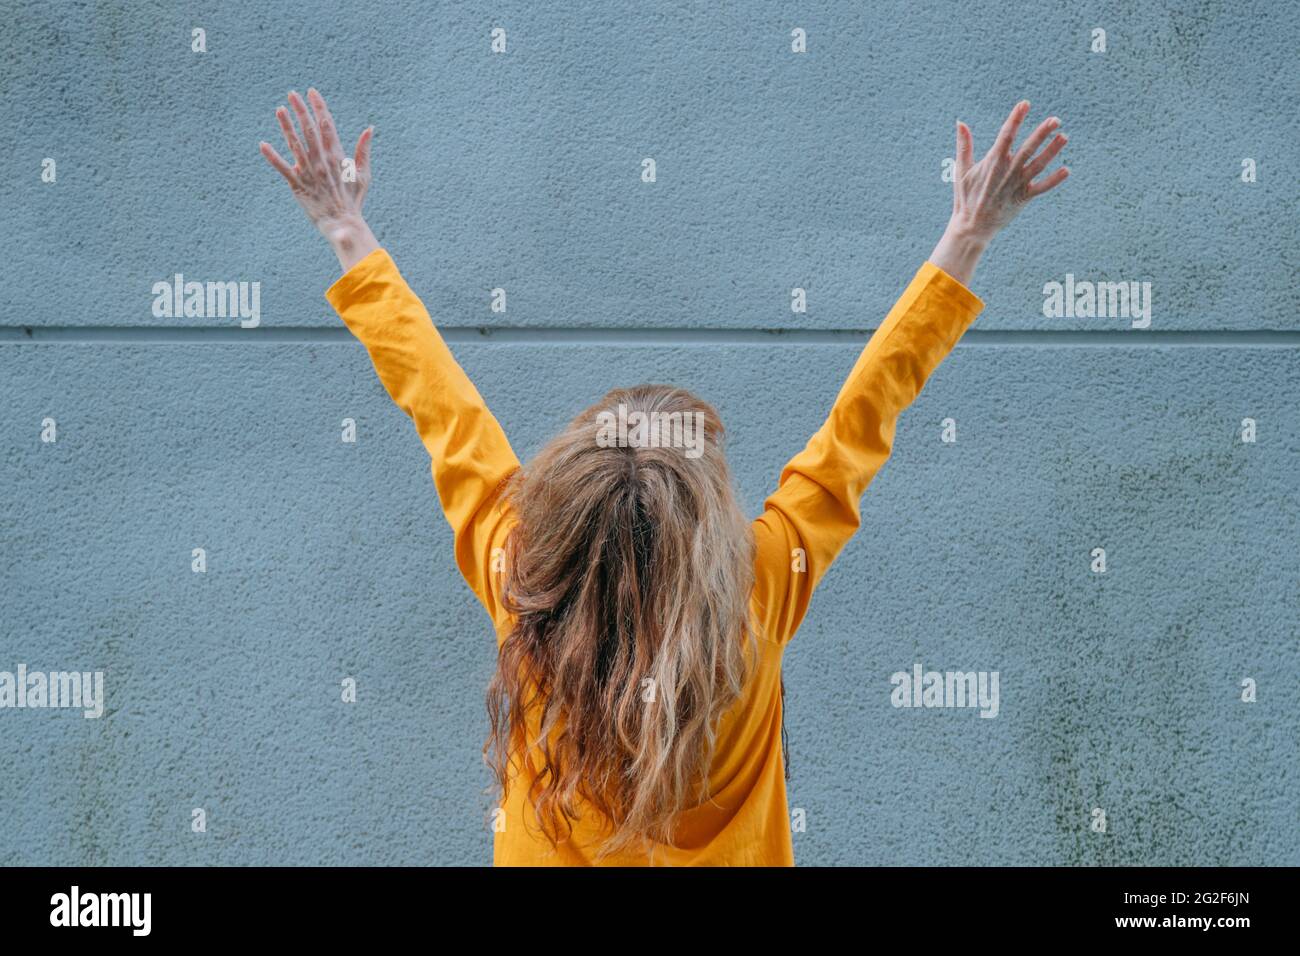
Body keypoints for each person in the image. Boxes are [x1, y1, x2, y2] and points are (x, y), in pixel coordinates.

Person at [260, 89, 1069, 865]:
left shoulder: (521, 582)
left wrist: (343, 227)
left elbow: (444, 410)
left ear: (562, 505)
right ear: (708, 508)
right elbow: (861, 420)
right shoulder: (759, 591)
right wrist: (966, 235)